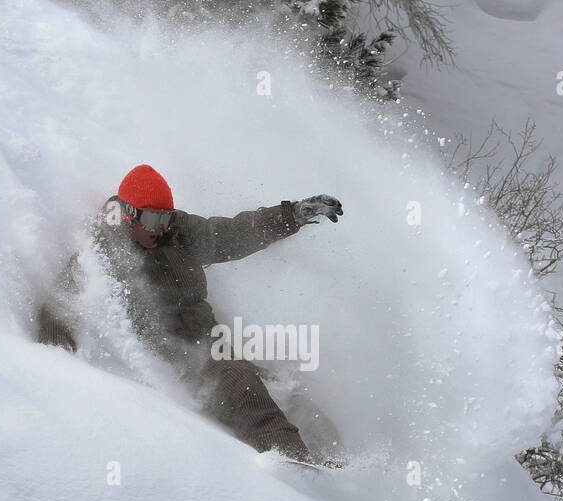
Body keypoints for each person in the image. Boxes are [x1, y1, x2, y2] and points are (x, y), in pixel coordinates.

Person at [37, 164, 343, 461]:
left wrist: (291, 215)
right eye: (152, 218)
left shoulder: (179, 232)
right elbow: (61, 303)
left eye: (166, 217)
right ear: (129, 215)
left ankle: (340, 466)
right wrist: (60, 370)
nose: (161, 227)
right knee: (243, 387)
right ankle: (298, 472)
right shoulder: (106, 250)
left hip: (208, 338)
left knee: (286, 396)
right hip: (172, 354)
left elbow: (234, 234)